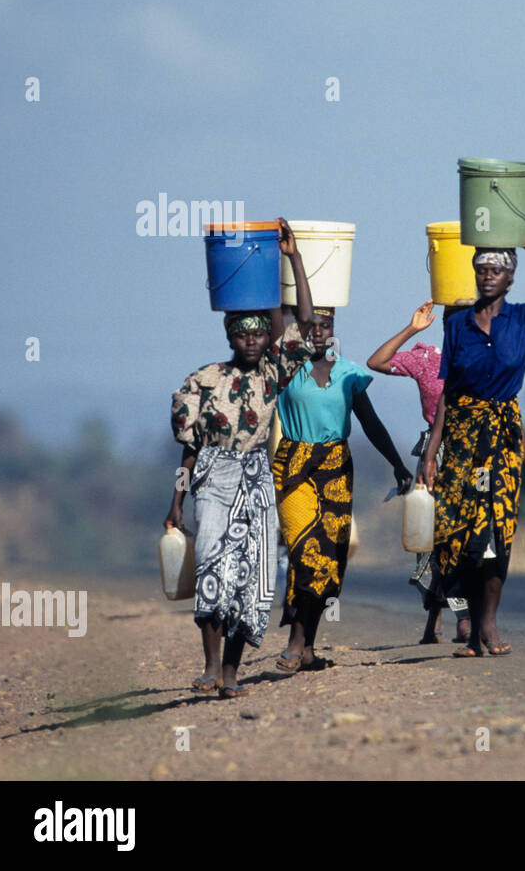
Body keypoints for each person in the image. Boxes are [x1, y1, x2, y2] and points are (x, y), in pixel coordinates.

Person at [421, 213, 525, 657]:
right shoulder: (456, 323)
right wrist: (430, 453)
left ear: (511, 276)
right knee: (459, 538)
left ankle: (489, 626)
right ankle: (472, 629)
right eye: (481, 270)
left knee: (498, 534)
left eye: (496, 270)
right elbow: (448, 394)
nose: (487, 277)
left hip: (501, 444)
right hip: (461, 443)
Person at [166, 219, 313, 699]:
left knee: (253, 577)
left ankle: (231, 675)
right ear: (231, 336)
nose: (252, 340)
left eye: (258, 334)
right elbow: (189, 449)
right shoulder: (204, 380)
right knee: (213, 567)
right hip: (213, 476)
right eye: (242, 334)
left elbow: (305, 324)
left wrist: (289, 259)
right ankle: (211, 668)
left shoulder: (273, 373)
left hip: (256, 477)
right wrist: (175, 503)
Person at [368, 301, 525, 644]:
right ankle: (455, 617)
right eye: (456, 324)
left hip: (485, 463)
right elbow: (376, 362)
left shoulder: (493, 363)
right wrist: (411, 329)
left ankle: (473, 620)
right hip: (440, 463)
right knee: (441, 544)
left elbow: (512, 420)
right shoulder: (428, 361)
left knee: (482, 541)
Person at [272, 307, 412, 673]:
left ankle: (308, 646)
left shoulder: (348, 373)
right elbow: (279, 317)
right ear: (299, 329)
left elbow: (371, 423)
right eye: (311, 326)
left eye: (326, 325)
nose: (319, 332)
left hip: (335, 468)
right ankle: (294, 643)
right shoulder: (286, 368)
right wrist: (293, 258)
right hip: (293, 467)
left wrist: (397, 464)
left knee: (331, 557)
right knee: (306, 552)